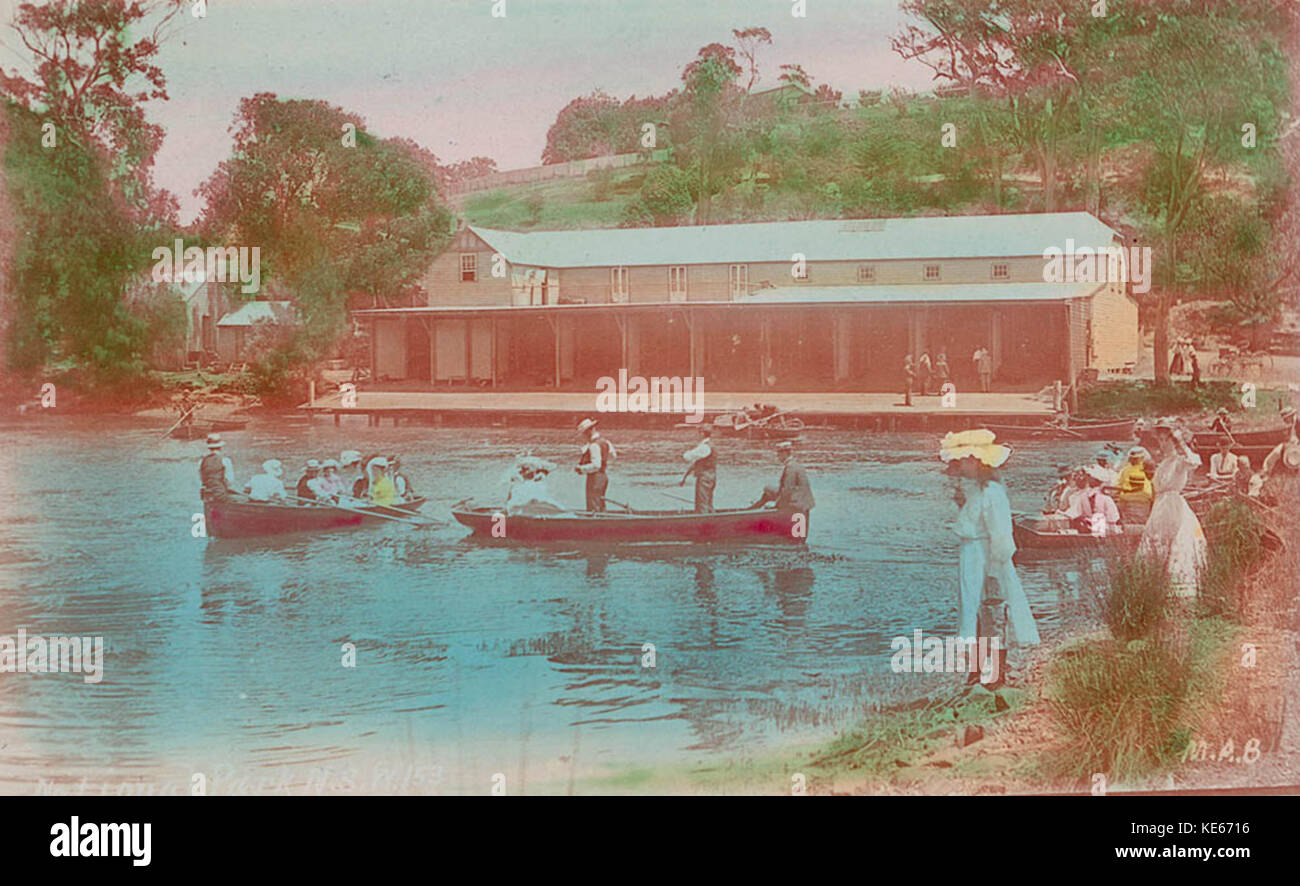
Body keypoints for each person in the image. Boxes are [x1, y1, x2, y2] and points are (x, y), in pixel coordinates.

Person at [940, 430, 1040, 684]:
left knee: (992, 609)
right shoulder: (973, 489)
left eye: (965, 460)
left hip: (988, 556)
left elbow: (1002, 533)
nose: (960, 466)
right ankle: (976, 671)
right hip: (972, 553)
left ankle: (995, 672)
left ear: (978, 462)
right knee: (971, 610)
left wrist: (996, 566)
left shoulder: (992, 492)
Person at [1139, 427, 1207, 598]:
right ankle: (1155, 584)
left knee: (1176, 541)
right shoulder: (1163, 462)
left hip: (1173, 505)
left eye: (1165, 440)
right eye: (1160, 440)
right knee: (1155, 542)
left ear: (1173, 441)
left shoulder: (1179, 460)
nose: (1162, 444)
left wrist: (1181, 443)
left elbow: (1195, 462)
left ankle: (1178, 587)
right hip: (1159, 506)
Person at [750, 440, 815, 531]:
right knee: (768, 490)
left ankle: (752, 510)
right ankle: (754, 508)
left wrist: (776, 506)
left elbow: (787, 490)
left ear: (785, 453)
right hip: (802, 502)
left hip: (796, 503)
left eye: (779, 454)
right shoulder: (796, 464)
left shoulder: (790, 468)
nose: (778, 456)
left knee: (767, 489)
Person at [575, 418, 616, 512]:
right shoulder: (606, 442)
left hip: (595, 478)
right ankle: (603, 521)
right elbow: (613, 456)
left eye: (584, 433)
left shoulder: (594, 445)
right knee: (600, 502)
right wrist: (604, 463)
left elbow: (596, 465)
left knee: (593, 505)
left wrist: (581, 469)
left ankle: (595, 524)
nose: (583, 436)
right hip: (603, 476)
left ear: (590, 431)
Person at [680, 426, 716, 513]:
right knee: (707, 502)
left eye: (699, 432)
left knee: (702, 502)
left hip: (704, 477)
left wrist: (685, 453)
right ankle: (711, 518)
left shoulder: (705, 447)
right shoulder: (709, 445)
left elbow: (688, 457)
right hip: (711, 476)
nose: (697, 435)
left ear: (702, 434)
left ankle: (703, 522)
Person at [199, 433, 236, 502]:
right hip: (220, 494)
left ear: (209, 447)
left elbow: (201, 478)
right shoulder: (225, 460)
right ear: (220, 447)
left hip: (207, 494)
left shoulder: (202, 460)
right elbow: (229, 480)